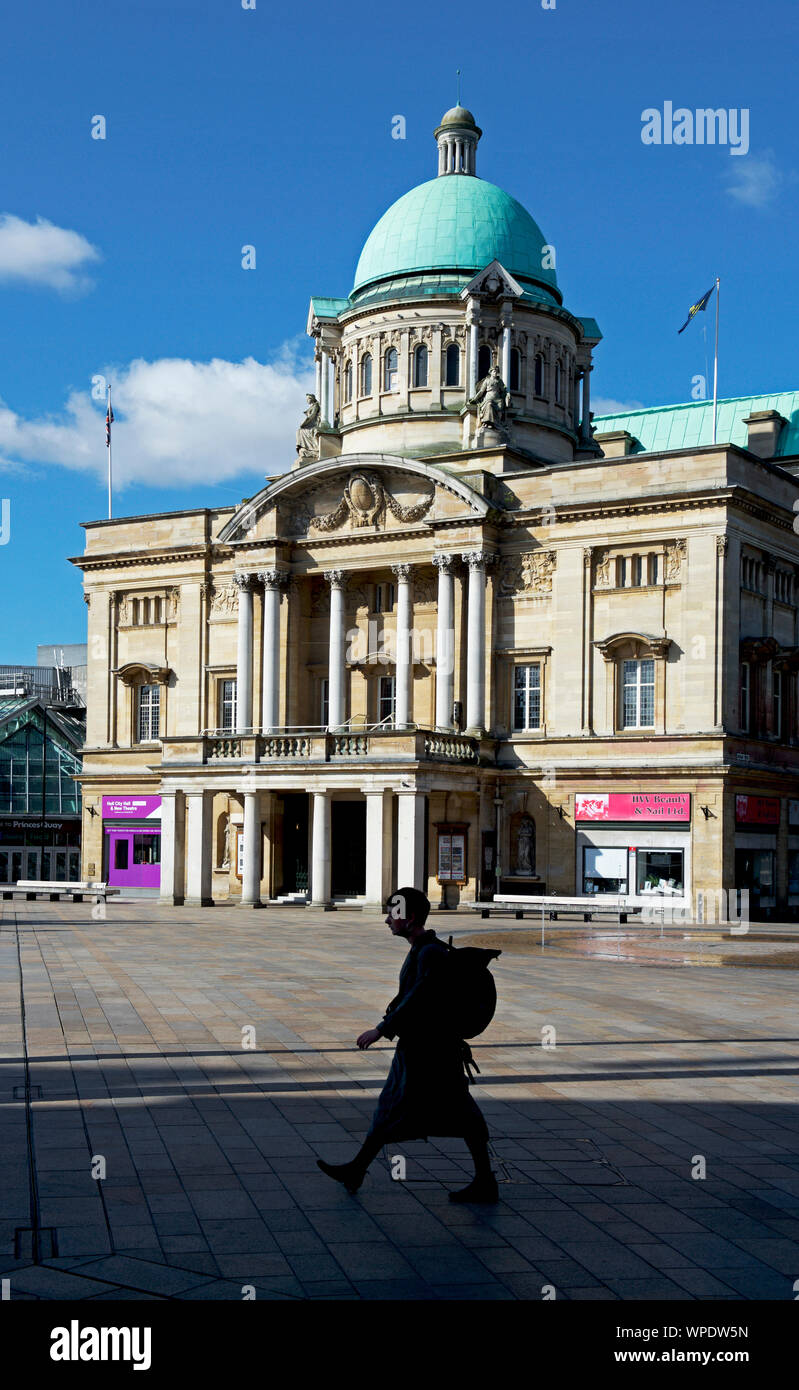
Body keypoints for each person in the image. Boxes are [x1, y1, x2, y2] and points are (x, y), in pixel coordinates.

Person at [316, 886, 498, 1203]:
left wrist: (381, 1029)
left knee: (457, 1113)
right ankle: (357, 1169)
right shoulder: (421, 950)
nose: (387, 919)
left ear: (410, 917)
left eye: (393, 913)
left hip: (432, 1052)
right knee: (396, 1107)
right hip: (421, 1048)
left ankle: (484, 1180)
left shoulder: (430, 953)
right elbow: (408, 996)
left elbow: (419, 998)